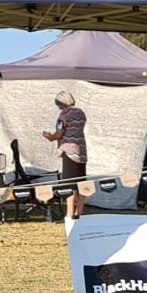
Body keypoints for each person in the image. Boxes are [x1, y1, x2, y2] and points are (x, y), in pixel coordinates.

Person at [43, 91, 88, 219]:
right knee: (81, 183)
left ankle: (70, 213)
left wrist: (49, 137)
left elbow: (59, 133)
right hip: (81, 150)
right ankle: (79, 212)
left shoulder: (64, 114)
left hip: (69, 152)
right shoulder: (81, 113)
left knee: (69, 184)